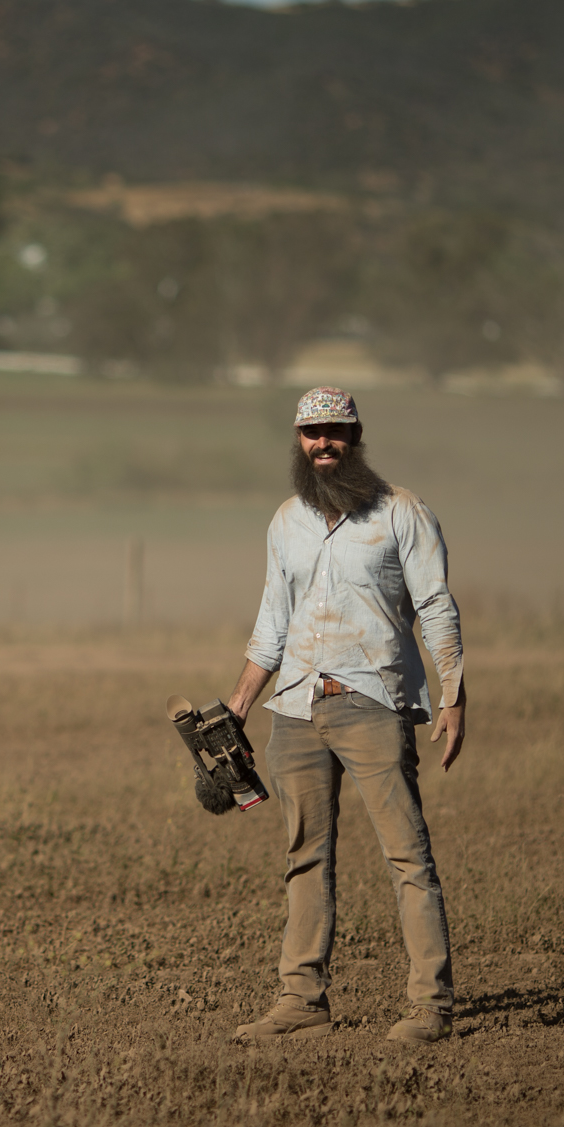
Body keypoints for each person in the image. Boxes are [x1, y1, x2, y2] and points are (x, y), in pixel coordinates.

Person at [225, 385, 465, 1045]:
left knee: (407, 855)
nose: (323, 443)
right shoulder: (286, 521)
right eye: (311, 433)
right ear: (298, 442)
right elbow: (273, 619)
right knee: (305, 855)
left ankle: (429, 1007)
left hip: (375, 699)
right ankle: (301, 1000)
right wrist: (238, 706)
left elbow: (437, 604)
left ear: (355, 437)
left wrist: (454, 693)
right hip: (297, 707)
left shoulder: (401, 513)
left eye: (335, 431)